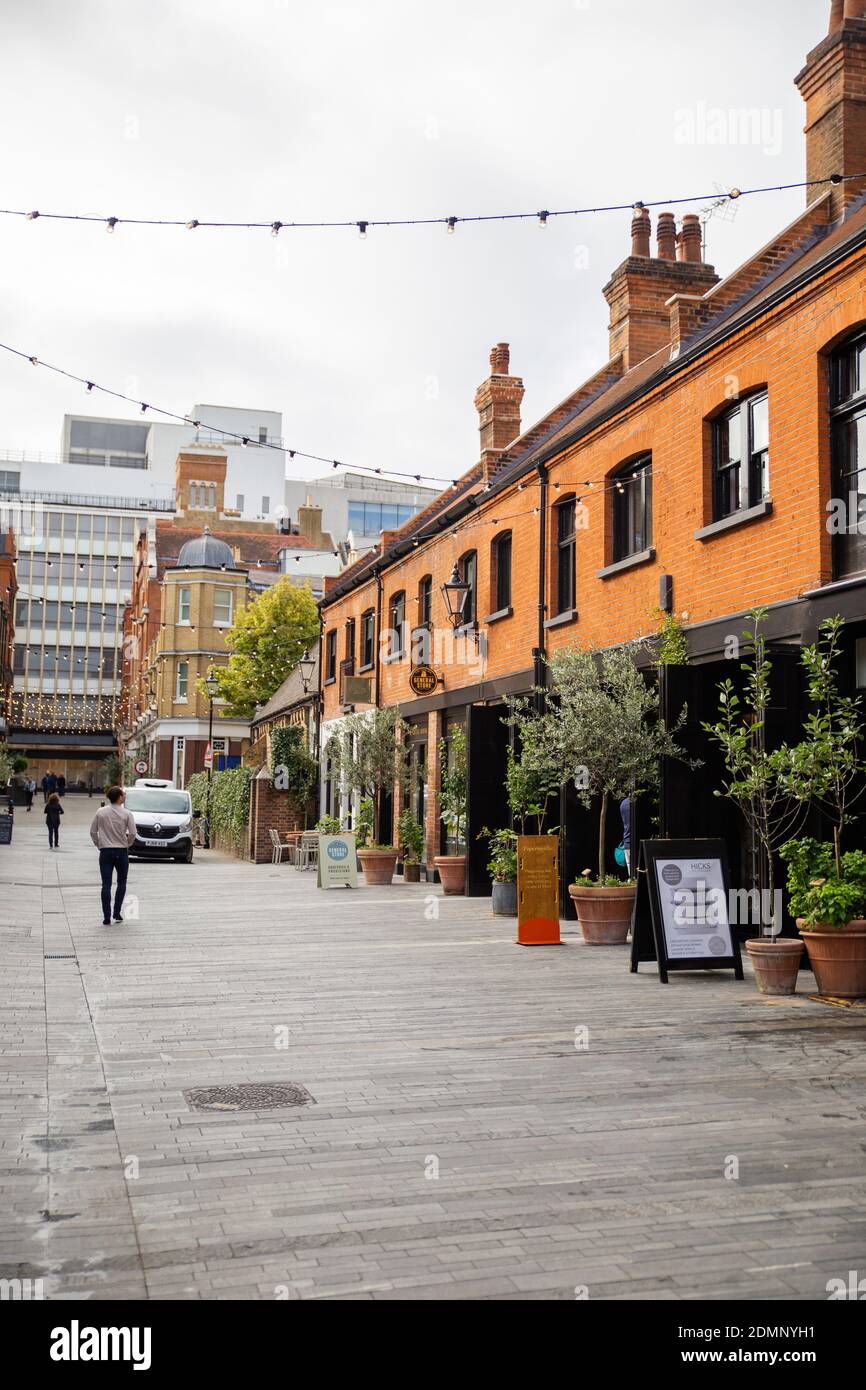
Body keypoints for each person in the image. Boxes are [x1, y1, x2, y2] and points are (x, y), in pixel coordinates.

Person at [90, 786, 137, 926]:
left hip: (105, 851)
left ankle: (106, 916)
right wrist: (127, 844)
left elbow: (93, 831)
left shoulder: (101, 812)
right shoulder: (127, 813)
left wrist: (99, 844)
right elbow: (133, 833)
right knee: (121, 882)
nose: (124, 797)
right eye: (123, 795)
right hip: (121, 851)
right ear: (120, 797)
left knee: (106, 884)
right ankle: (117, 912)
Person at [620, 796, 631, 876]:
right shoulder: (632, 803)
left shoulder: (623, 803)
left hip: (627, 841)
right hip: (633, 841)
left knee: (629, 867)